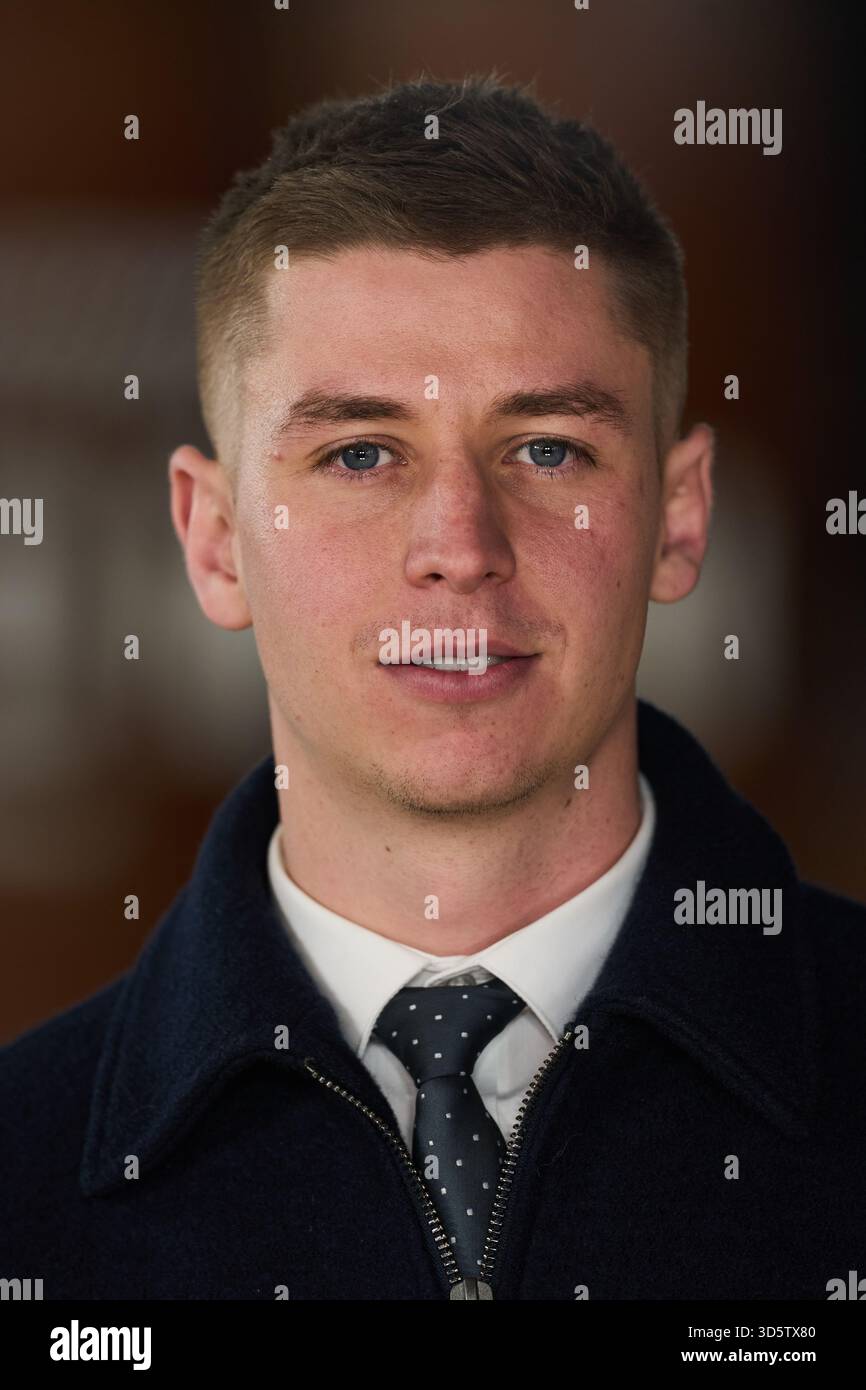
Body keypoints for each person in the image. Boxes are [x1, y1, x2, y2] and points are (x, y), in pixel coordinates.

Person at [2, 73, 864, 1303]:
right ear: (212, 538)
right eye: (358, 453)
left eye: (545, 448)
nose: (459, 541)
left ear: (678, 518)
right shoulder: (19, 1179)